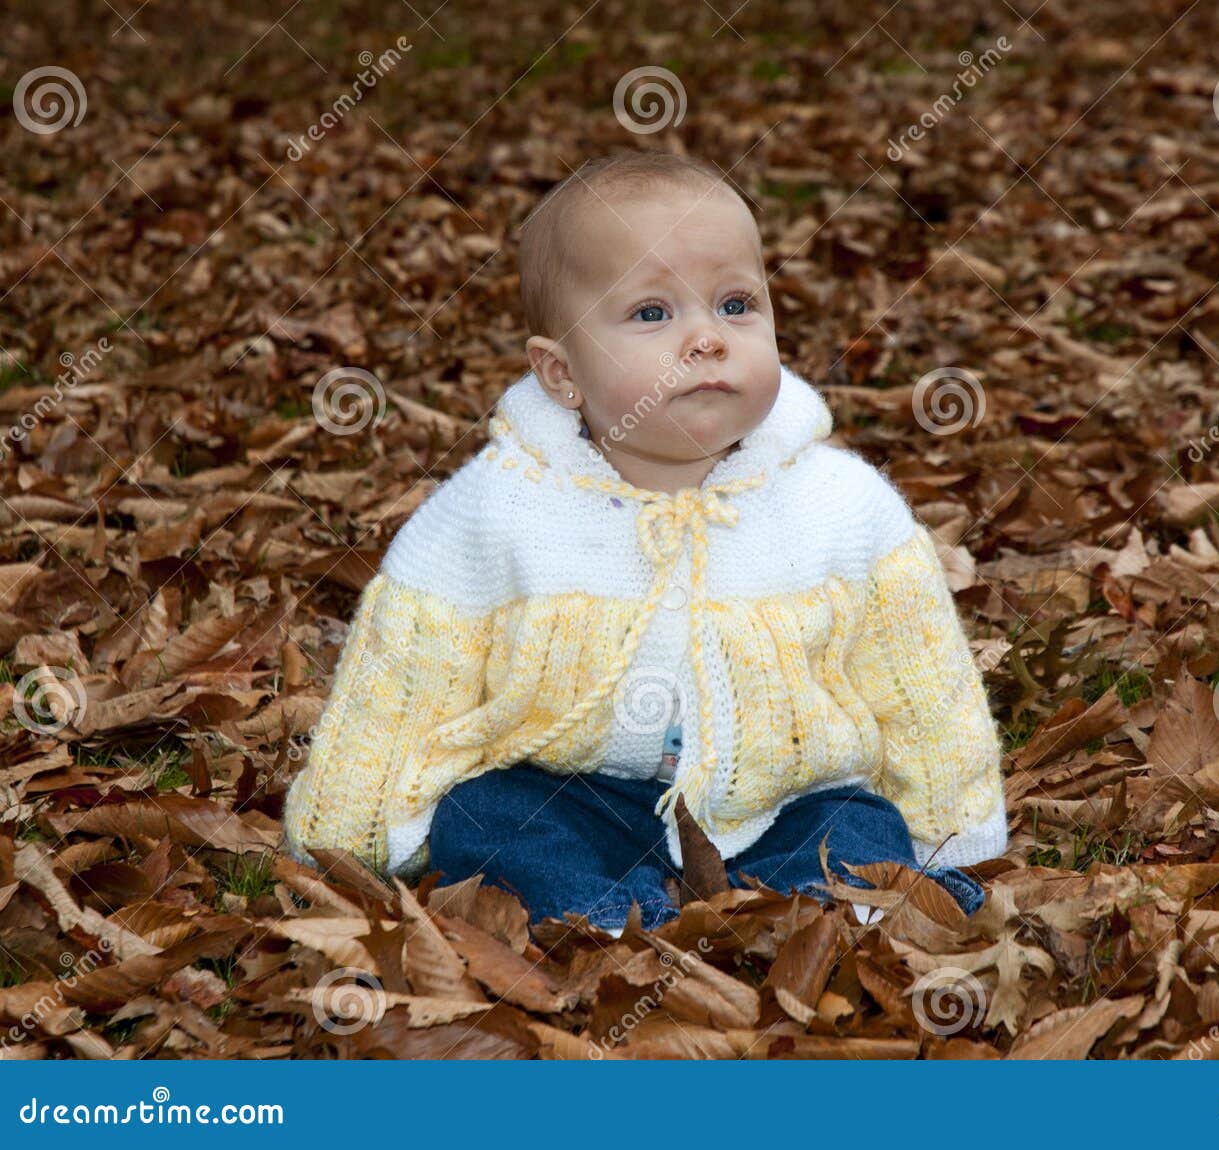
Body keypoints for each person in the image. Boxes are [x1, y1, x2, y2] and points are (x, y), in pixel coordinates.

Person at [281, 149, 1008, 937]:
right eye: (653, 314)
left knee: (859, 829)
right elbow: (406, 674)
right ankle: (607, 923)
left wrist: (955, 834)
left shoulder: (839, 504)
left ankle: (824, 920)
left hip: (785, 798)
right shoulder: (498, 509)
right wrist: (341, 833)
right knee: (485, 818)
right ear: (561, 374)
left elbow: (921, 682)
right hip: (577, 793)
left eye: (736, 305)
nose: (706, 339)